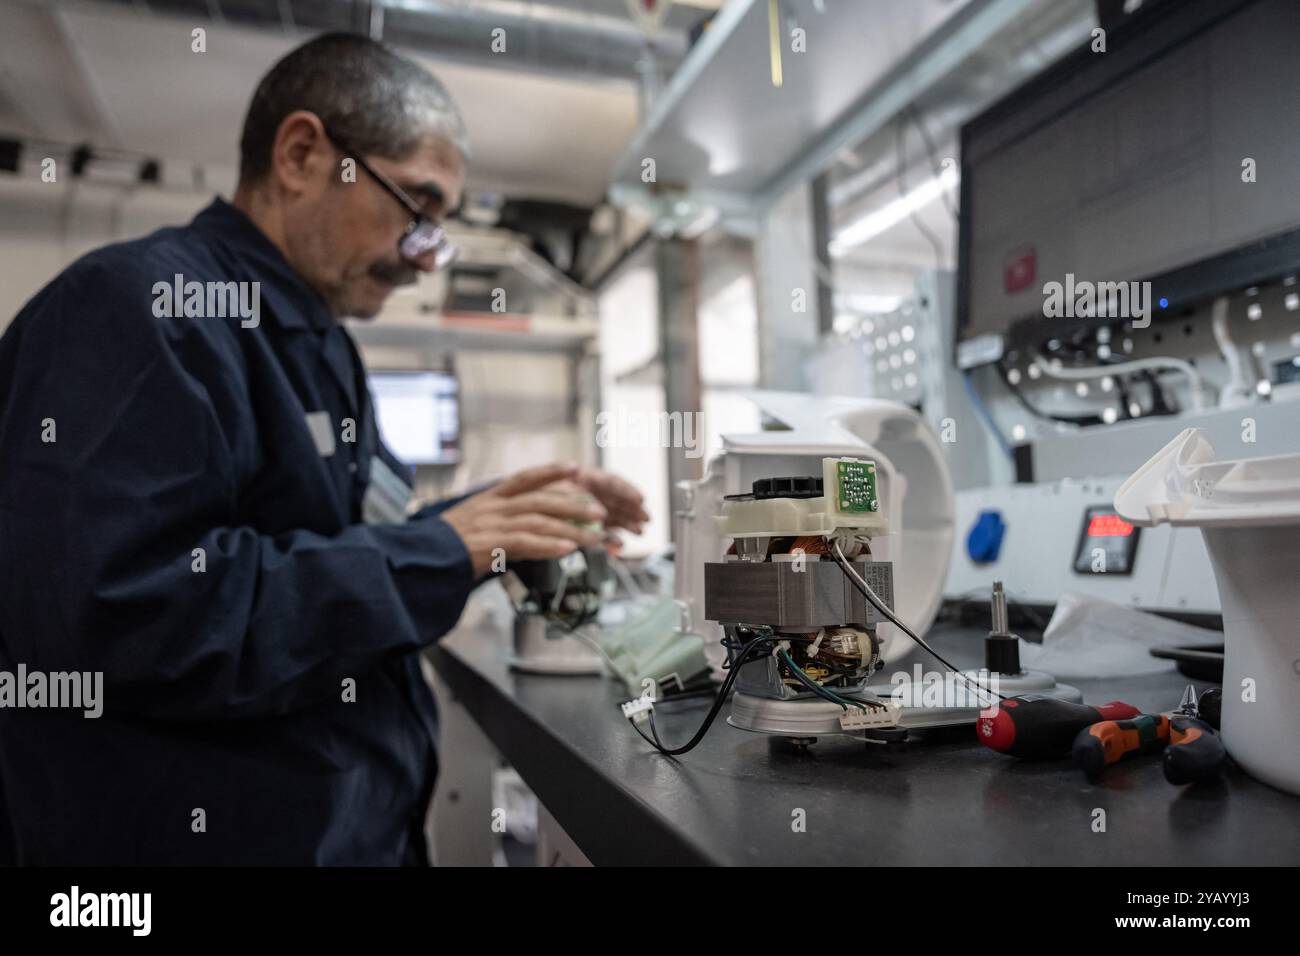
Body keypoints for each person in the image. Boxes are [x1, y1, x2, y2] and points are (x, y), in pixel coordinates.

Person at [0, 32, 647, 865]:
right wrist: (437, 552)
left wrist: (499, 523)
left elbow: (337, 547)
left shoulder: (321, 347)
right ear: (303, 155)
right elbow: (132, 617)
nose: (424, 257)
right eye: (416, 208)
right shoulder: (139, 308)